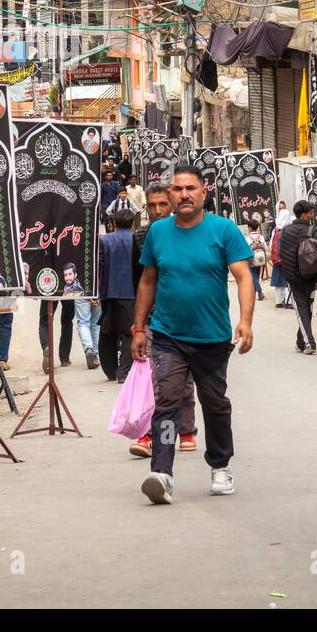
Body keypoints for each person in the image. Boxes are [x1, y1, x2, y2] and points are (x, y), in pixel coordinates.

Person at [134, 164, 255, 505]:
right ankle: (163, 473)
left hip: (212, 337)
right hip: (168, 335)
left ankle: (220, 466)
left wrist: (245, 321)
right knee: (167, 403)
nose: (184, 194)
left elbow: (244, 277)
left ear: (204, 192)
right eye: (177, 189)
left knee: (215, 404)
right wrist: (139, 327)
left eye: (190, 188)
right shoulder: (158, 232)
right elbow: (148, 281)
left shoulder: (224, 230)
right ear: (169, 195)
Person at [129, 183, 198, 458]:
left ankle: (187, 431)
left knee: (185, 381)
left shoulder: (190, 232)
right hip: (156, 320)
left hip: (187, 319)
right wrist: (138, 324)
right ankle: (147, 435)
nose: (158, 211)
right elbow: (140, 282)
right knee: (155, 380)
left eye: (163, 205)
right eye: (152, 206)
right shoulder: (141, 237)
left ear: (172, 204)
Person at [98, 207, 138, 383]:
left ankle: (110, 371)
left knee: (108, 331)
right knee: (129, 333)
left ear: (113, 224)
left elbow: (98, 266)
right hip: (130, 292)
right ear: (133, 224)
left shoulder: (105, 241)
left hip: (108, 292)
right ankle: (124, 371)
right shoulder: (137, 240)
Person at [278, 200, 317, 354]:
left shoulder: (285, 231)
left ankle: (302, 341)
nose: (312, 215)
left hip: (294, 278)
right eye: (310, 212)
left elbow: (280, 251)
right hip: (310, 276)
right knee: (307, 310)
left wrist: (289, 269)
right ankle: (309, 343)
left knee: (303, 310)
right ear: (304, 214)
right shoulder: (313, 230)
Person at [269, 209, 292, 308]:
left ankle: (279, 301)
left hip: (276, 259)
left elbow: (271, 244)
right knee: (288, 280)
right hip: (287, 259)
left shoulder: (275, 229)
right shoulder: (289, 229)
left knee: (278, 280)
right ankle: (289, 302)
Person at [245, 225, 268, 301]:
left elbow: (245, 249)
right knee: (256, 275)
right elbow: (265, 247)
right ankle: (255, 293)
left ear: (250, 228)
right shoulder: (261, 237)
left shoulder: (248, 238)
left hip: (251, 258)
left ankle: (259, 292)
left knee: (253, 275)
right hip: (260, 257)